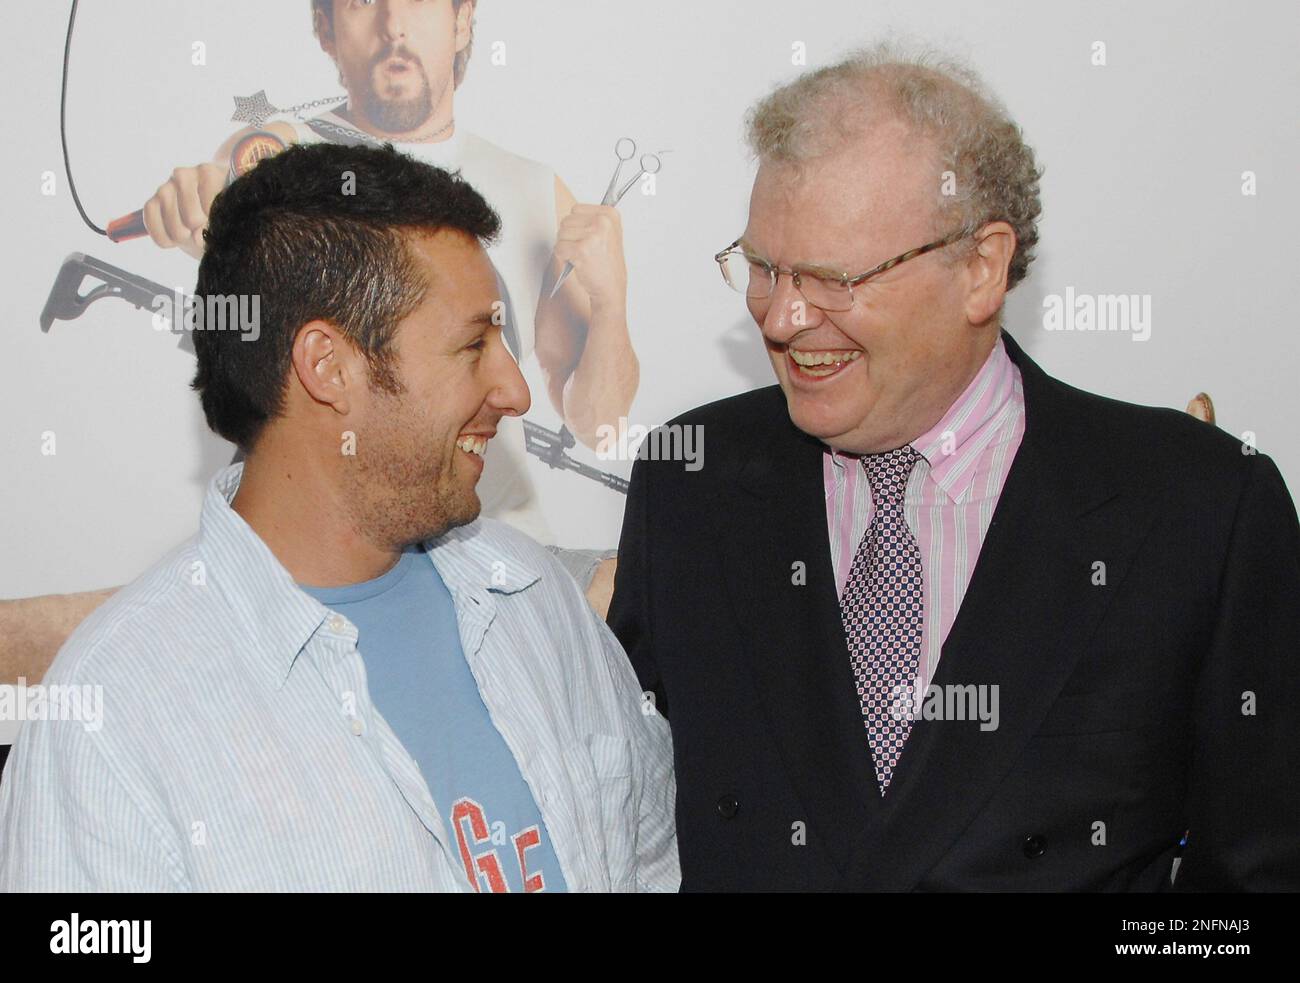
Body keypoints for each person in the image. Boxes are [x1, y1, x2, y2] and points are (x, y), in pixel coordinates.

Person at [606, 44, 1300, 891]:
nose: (783, 318)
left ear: (980, 268)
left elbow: (1257, 881)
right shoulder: (690, 485)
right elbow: (628, 830)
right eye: (762, 268)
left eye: (830, 278)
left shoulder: (1198, 508)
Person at [0, 142, 677, 892]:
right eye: (473, 344)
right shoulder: (113, 725)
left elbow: (653, 863)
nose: (515, 391)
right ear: (327, 367)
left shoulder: (534, 599)